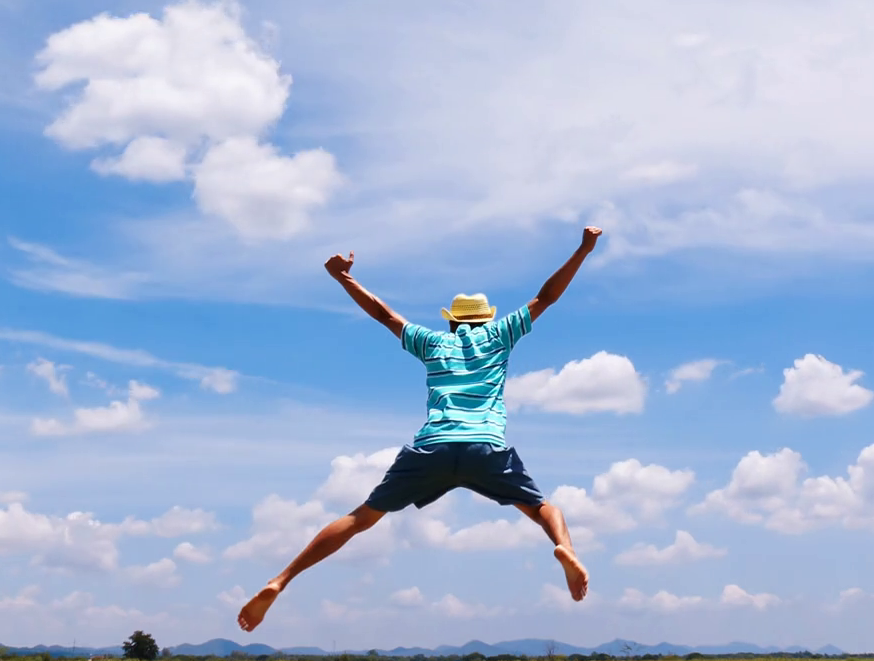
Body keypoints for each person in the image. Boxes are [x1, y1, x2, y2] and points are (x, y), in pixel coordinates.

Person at [235, 226, 604, 633]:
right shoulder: (500, 335)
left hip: (434, 446)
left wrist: (343, 277)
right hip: (484, 445)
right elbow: (546, 297)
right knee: (545, 510)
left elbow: (384, 314)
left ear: (453, 324)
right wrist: (583, 249)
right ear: (486, 319)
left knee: (359, 519)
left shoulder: (432, 343)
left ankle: (281, 580)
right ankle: (564, 549)